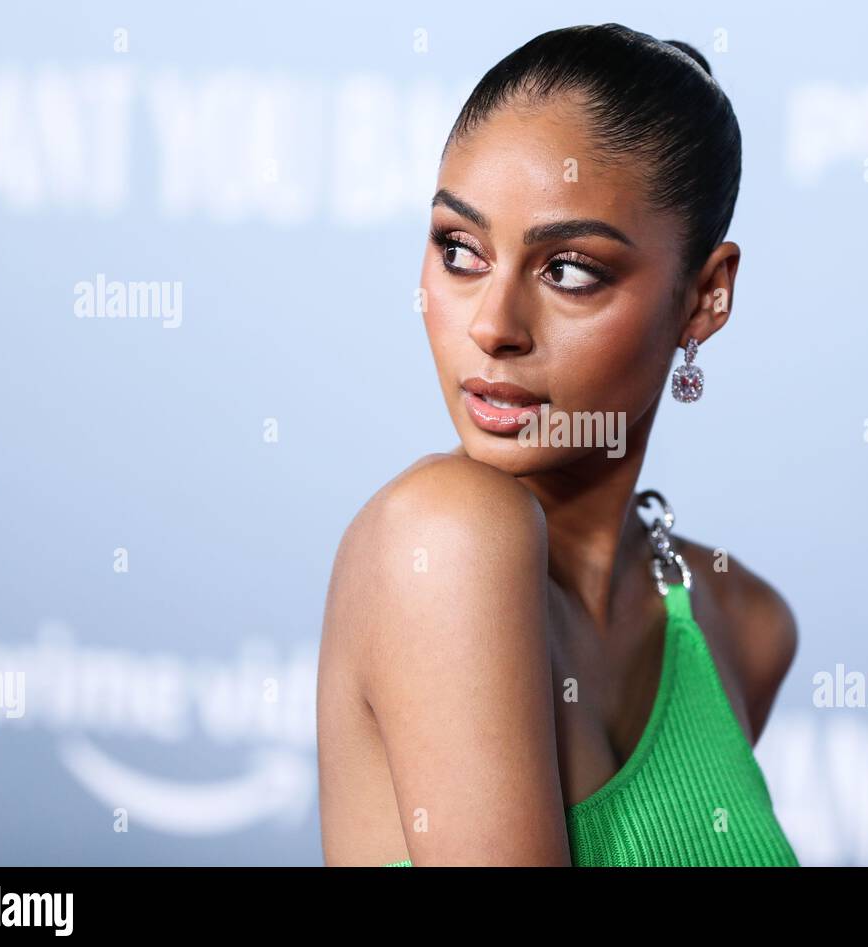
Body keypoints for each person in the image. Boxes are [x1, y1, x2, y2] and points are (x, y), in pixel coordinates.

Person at [318, 23, 800, 866]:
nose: (493, 326)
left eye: (569, 270)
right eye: (460, 251)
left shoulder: (743, 624)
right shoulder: (447, 534)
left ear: (705, 298)